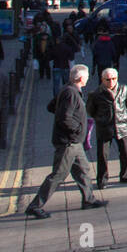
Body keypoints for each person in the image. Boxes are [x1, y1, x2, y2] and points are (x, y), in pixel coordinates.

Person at [24, 64, 107, 219]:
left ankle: (89, 199)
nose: (88, 78)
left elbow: (51, 107)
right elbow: (64, 117)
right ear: (81, 78)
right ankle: (35, 206)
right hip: (68, 142)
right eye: (87, 76)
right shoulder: (71, 93)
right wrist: (77, 128)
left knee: (83, 169)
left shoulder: (68, 89)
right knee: (58, 175)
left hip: (75, 143)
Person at [85, 68, 127, 189]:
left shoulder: (125, 89)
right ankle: (102, 179)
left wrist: (122, 117)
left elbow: (126, 105)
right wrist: (101, 119)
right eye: (108, 80)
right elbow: (91, 111)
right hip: (104, 128)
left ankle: (125, 175)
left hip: (122, 126)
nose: (111, 82)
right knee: (102, 155)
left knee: (126, 153)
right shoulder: (95, 94)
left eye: (114, 79)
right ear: (102, 80)